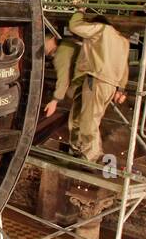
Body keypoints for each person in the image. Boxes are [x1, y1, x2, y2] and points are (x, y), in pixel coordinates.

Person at [44, 11, 130, 163]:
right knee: (80, 117)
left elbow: (75, 26)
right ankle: (78, 149)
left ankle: (91, 157)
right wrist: (121, 89)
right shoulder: (123, 40)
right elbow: (125, 67)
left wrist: (79, 12)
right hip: (110, 85)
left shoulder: (101, 30)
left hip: (96, 79)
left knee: (89, 119)